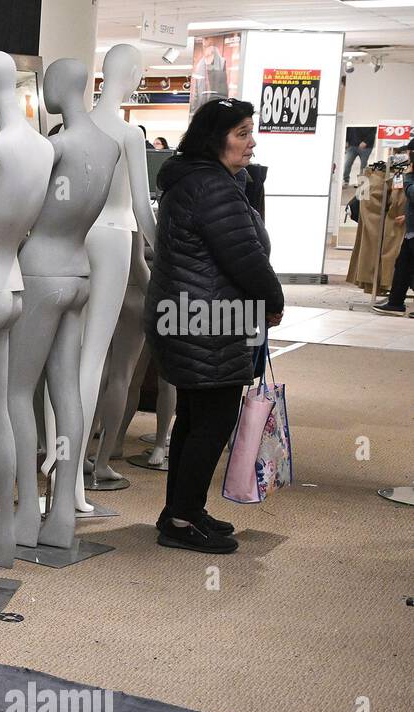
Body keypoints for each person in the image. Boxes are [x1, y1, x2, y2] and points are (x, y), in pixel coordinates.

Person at [144, 99, 285, 554]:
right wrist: (274, 299)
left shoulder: (194, 179)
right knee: (213, 421)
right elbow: (245, 256)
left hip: (191, 316)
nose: (252, 141)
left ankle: (181, 511)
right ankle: (183, 521)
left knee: (194, 418)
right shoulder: (213, 188)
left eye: (251, 131)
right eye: (242, 133)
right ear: (215, 137)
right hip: (210, 321)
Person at [372, 145, 414, 316]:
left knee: (406, 266)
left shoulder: (409, 177)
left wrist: (409, 177)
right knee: (403, 265)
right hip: (411, 231)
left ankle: (396, 302)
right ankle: (395, 303)